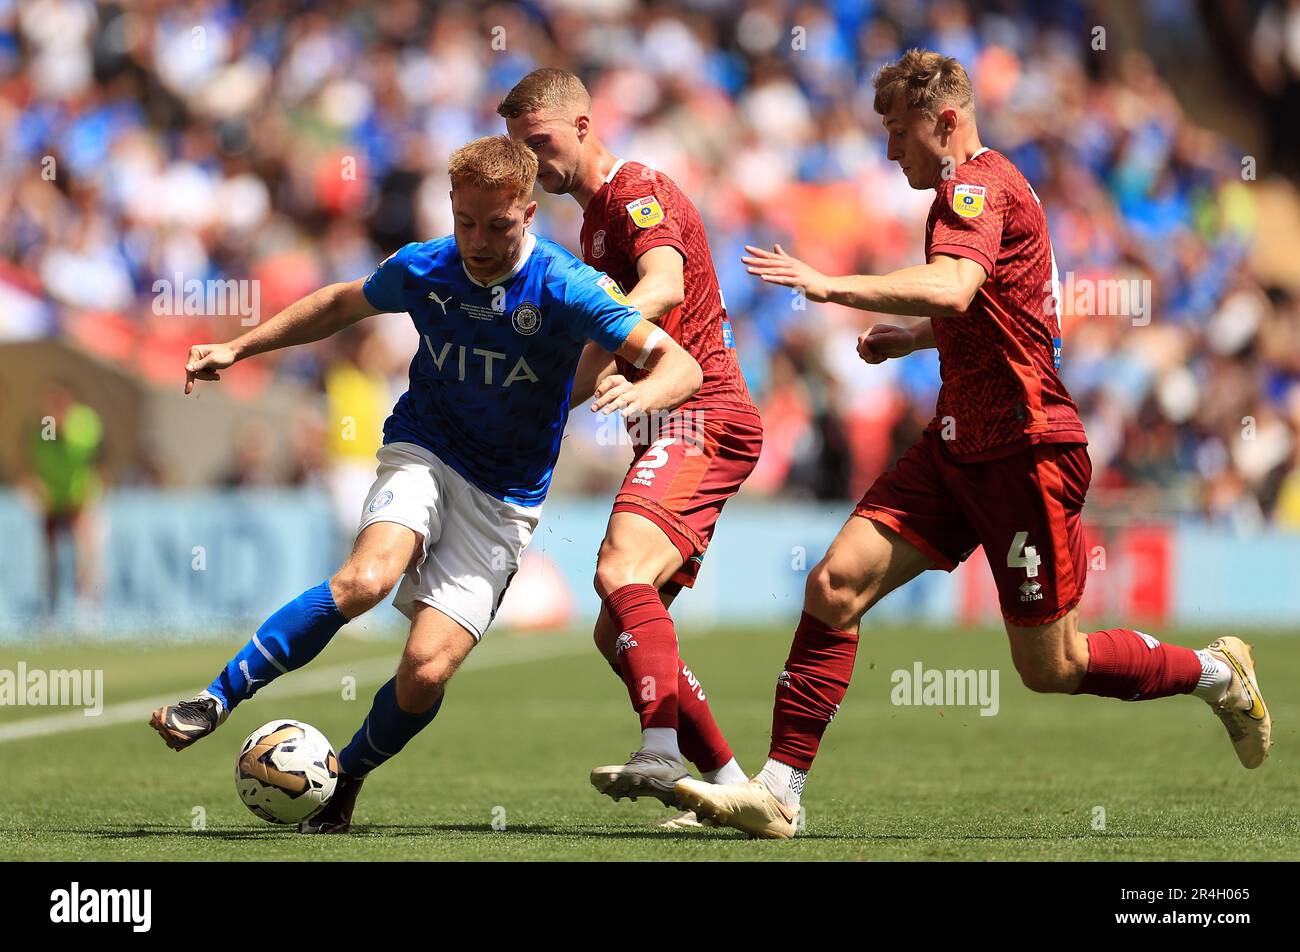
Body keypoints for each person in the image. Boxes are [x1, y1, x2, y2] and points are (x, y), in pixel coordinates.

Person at [675, 50, 1270, 839]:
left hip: (1026, 454)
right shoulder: (981, 191)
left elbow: (958, 286)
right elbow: (1006, 310)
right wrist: (919, 338)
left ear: (945, 119)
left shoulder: (973, 184)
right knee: (835, 584)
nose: (890, 149)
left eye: (898, 130)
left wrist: (829, 286)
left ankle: (1218, 674)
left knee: (1050, 668)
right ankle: (780, 789)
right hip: (955, 447)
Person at [149, 135, 702, 834]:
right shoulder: (427, 266)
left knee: (425, 672)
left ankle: (345, 777)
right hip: (424, 450)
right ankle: (217, 698)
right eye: (465, 221)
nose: (477, 241)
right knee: (367, 578)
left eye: (496, 225)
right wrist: (238, 345)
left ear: (529, 213)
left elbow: (679, 364)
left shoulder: (566, 286)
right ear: (451, 208)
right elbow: (341, 304)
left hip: (504, 499)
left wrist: (646, 395)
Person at [500, 69, 763, 824]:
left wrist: (605, 320)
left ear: (582, 126)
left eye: (540, 142)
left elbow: (664, 283)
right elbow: (601, 348)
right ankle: (737, 784)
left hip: (701, 411)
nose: (531, 162)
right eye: (519, 149)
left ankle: (659, 749)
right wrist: (538, 409)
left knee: (619, 567)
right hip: (672, 420)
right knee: (617, 625)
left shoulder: (633, 191)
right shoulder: (588, 225)